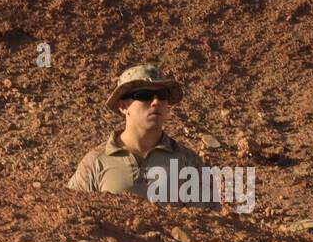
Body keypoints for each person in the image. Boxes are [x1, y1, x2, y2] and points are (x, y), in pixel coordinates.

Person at [67, 64, 212, 205]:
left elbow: (208, 223)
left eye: (162, 95)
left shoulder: (189, 162)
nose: (156, 102)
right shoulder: (95, 162)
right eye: (144, 95)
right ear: (123, 106)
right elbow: (76, 218)